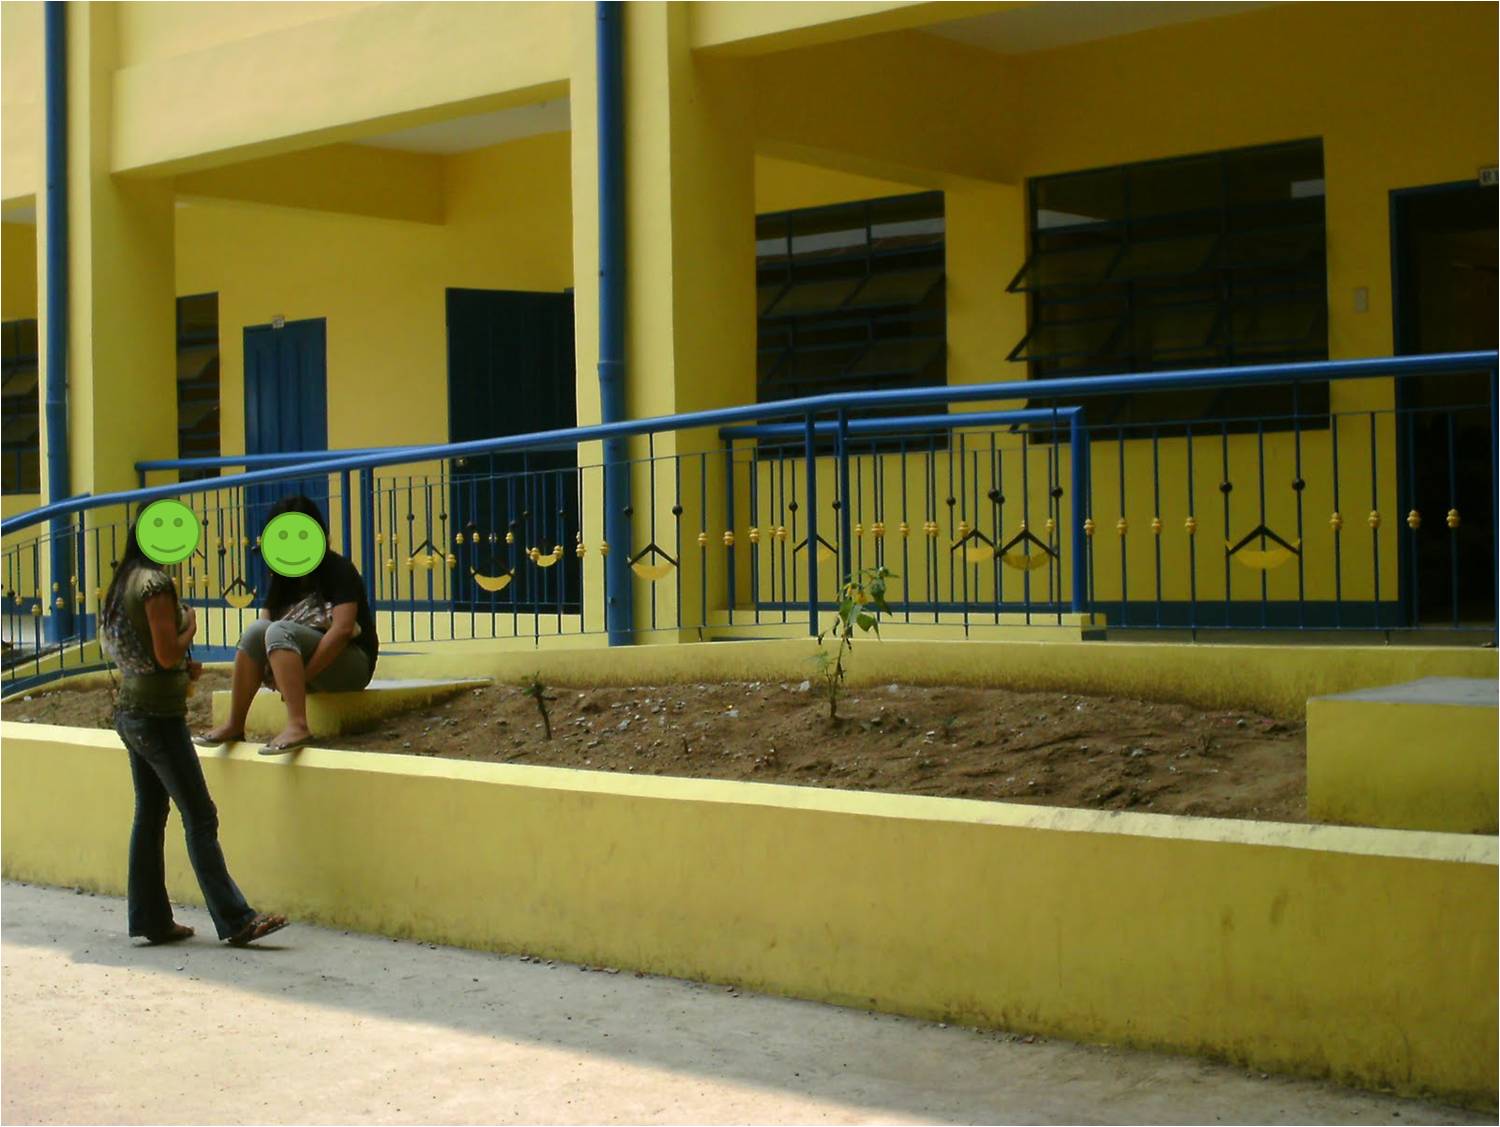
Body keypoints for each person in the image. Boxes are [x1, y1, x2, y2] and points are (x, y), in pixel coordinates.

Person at [100, 514, 287, 947]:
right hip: (158, 716)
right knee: (200, 815)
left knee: (150, 814)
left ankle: (150, 918)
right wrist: (190, 628)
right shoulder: (155, 586)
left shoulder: (123, 581)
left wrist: (181, 663)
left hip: (132, 710)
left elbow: (142, 652)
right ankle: (236, 919)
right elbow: (166, 654)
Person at [196, 495, 378, 755]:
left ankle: (297, 725)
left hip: (351, 662)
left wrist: (301, 678)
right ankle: (234, 724)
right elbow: (264, 621)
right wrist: (272, 668)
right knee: (254, 632)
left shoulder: (338, 569)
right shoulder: (284, 574)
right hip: (304, 660)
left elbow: (343, 629)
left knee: (278, 631)